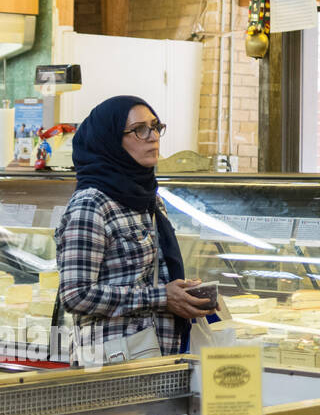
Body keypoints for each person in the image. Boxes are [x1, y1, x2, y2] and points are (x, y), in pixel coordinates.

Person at [56, 96, 213, 365]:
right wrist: (161, 297)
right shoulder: (92, 204)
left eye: (155, 126)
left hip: (159, 358)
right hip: (111, 366)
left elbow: (143, 275)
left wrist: (183, 294)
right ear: (111, 140)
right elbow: (76, 294)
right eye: (139, 130)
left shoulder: (148, 197)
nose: (152, 137)